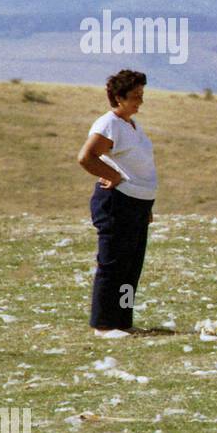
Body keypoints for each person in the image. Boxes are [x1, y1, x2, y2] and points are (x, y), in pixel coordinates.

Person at [75, 69, 157, 338]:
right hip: (117, 202)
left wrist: (147, 207)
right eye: (135, 96)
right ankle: (104, 324)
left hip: (137, 204)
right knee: (113, 264)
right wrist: (114, 176)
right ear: (118, 97)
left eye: (141, 95)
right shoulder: (108, 124)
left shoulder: (132, 124)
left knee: (132, 265)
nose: (140, 102)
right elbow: (86, 157)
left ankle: (122, 320)